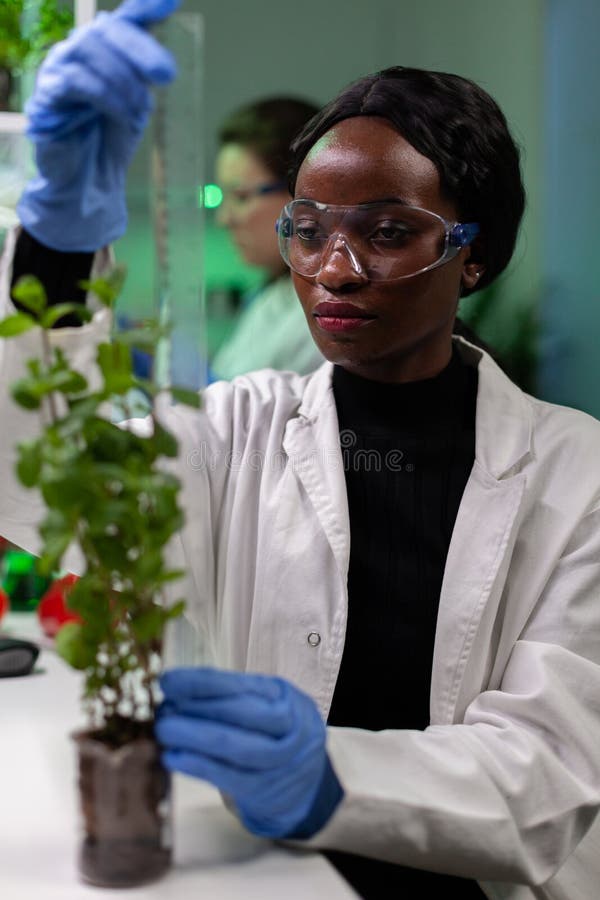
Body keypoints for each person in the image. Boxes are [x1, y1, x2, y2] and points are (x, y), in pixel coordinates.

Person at [1, 2, 600, 898]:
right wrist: (55, 243)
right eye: (310, 227)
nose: (334, 267)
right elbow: (43, 479)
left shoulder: (578, 474)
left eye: (389, 232)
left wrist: (329, 774)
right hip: (271, 878)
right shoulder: (233, 430)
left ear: (474, 256)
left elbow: (551, 775)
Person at [209, 95, 324, 380]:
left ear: (300, 192)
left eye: (241, 196)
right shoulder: (272, 296)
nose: (224, 218)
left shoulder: (321, 315)